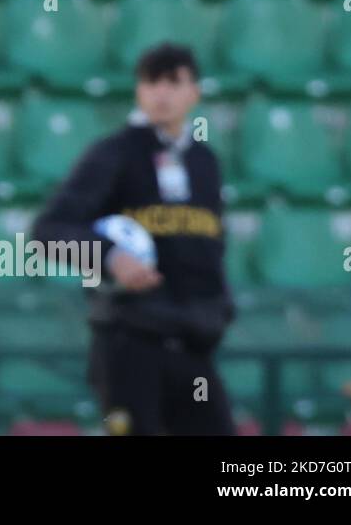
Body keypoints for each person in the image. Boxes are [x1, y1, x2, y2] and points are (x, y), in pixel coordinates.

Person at [31, 43, 237, 435]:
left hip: (194, 344)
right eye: (151, 81)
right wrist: (110, 258)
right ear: (139, 91)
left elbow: (211, 248)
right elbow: (49, 232)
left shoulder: (205, 163)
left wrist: (219, 310)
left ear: (195, 92)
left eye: (174, 82)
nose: (161, 93)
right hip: (131, 345)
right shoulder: (113, 155)